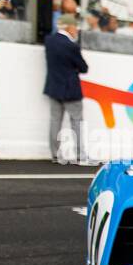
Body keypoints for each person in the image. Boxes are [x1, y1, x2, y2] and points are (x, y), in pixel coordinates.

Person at [43, 13, 89, 166]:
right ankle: (79, 155)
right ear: (70, 27)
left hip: (53, 87)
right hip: (70, 89)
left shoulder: (49, 41)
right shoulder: (71, 46)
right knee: (76, 121)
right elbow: (83, 67)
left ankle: (55, 154)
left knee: (55, 120)